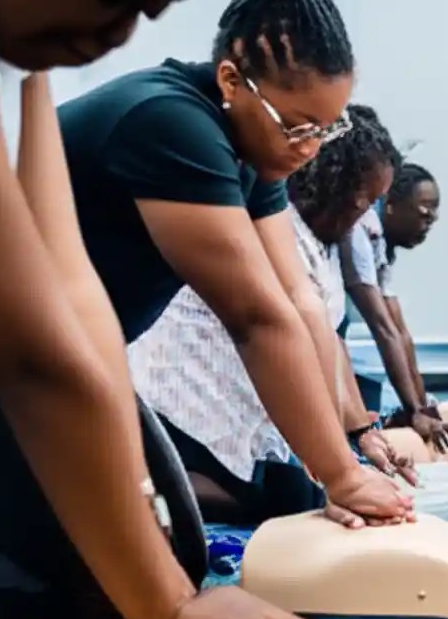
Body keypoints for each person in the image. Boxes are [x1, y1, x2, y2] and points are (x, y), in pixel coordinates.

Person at [0, 0, 409, 619]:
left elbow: (77, 298)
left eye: (142, 12)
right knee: (18, 610)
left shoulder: (22, 59)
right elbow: (37, 355)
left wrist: (346, 449)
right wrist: (168, 609)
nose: (117, 34)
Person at [130, 103, 417, 525]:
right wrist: (339, 468)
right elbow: (287, 336)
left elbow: (330, 337)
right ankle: (145, 489)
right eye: (363, 201)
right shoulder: (280, 233)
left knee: (307, 485)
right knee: (298, 497)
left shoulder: (327, 241)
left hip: (243, 385)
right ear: (334, 186)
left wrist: (361, 433)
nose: (367, 215)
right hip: (189, 390)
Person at [340, 162, 448, 443]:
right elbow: (382, 328)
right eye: (424, 211)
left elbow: (400, 331)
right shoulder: (360, 231)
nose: (429, 222)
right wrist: (414, 410)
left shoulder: (382, 246)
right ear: (391, 203)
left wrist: (422, 406)